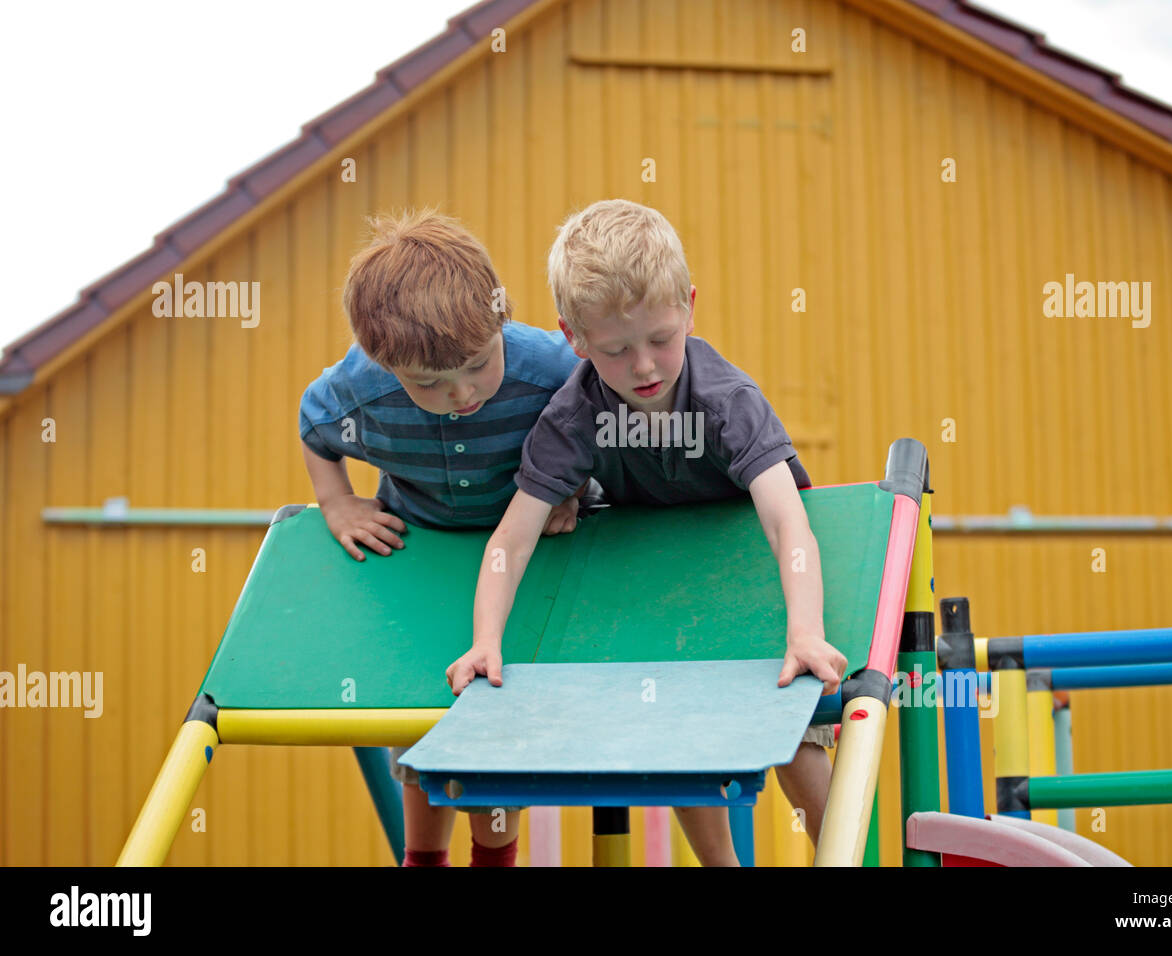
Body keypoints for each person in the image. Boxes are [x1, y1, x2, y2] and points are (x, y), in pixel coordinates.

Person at [445, 198, 847, 865]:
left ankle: (845, 854)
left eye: (661, 338)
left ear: (689, 307)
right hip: (661, 581)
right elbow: (510, 542)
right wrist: (485, 641)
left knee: (797, 731)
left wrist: (804, 631)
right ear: (573, 338)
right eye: (615, 349)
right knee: (680, 730)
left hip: (747, 569)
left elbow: (787, 521)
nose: (644, 367)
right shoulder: (573, 416)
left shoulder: (724, 402)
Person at [299, 209, 587, 866]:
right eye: (429, 384)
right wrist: (338, 503)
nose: (461, 394)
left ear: (499, 320)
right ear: (386, 363)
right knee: (422, 721)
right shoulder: (361, 391)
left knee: (496, 723)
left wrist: (568, 492)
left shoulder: (550, 369)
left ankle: (495, 855)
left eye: (478, 366)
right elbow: (314, 425)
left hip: (525, 568)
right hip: (424, 558)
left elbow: (597, 421)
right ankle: (422, 856)